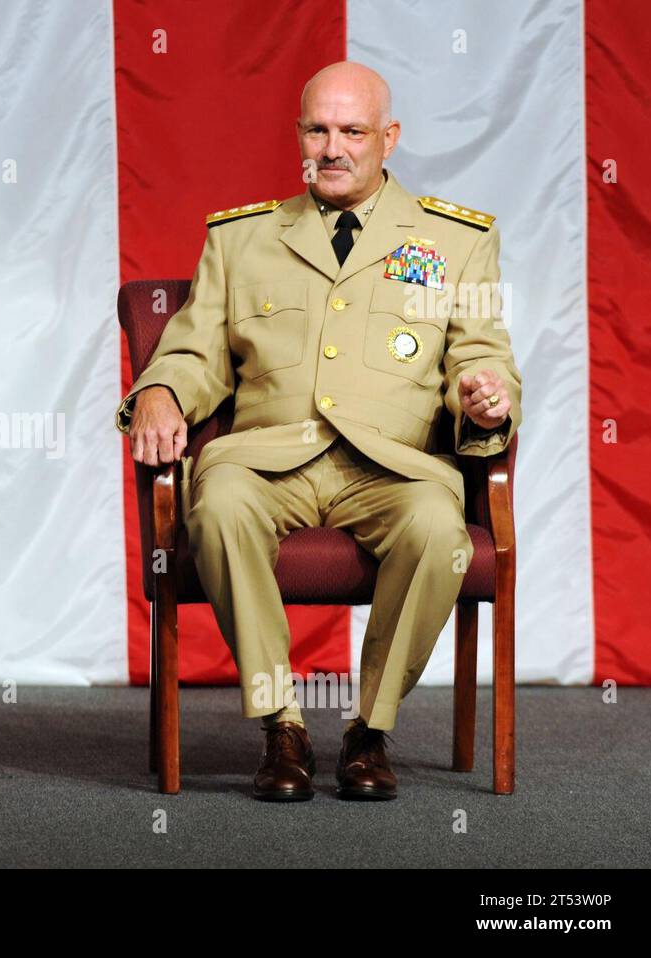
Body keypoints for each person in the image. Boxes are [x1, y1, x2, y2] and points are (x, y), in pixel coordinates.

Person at [116, 61, 522, 802]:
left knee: (442, 530)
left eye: (353, 131)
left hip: (393, 469)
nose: (332, 147)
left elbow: (482, 351)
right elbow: (192, 348)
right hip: (268, 463)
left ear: (388, 138)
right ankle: (283, 727)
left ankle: (369, 730)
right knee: (219, 511)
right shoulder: (242, 240)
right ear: (299, 135)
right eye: (318, 129)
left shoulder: (456, 240)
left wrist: (486, 399)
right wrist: (162, 391)